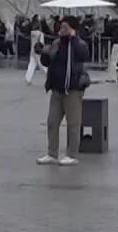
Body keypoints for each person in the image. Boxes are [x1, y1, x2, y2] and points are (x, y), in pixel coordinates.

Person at [36, 17, 91, 166]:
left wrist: (72, 39)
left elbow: (84, 55)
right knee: (52, 122)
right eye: (61, 27)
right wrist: (43, 52)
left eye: (65, 27)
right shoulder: (56, 43)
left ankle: (72, 154)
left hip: (72, 88)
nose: (62, 29)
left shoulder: (79, 44)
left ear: (73, 28)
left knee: (73, 123)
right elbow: (47, 61)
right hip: (57, 88)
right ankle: (52, 153)